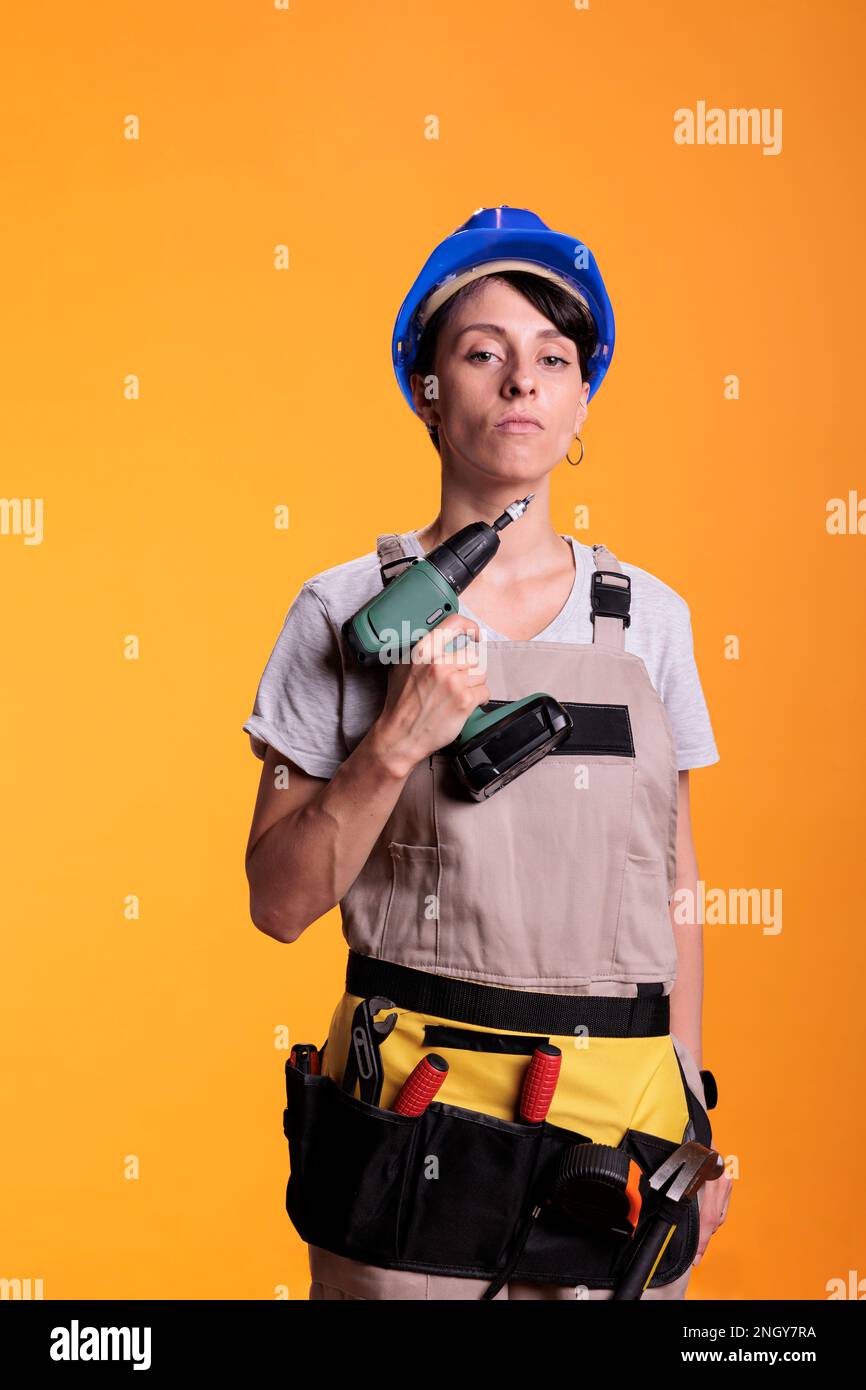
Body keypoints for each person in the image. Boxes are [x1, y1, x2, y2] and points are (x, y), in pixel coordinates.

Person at [243, 206, 733, 1300]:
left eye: (551, 358)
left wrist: (691, 1106)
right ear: (427, 386)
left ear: (579, 403)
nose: (521, 381)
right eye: (482, 351)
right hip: (413, 1108)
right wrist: (396, 740)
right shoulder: (341, 610)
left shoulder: (648, 619)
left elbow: (675, 886)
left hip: (622, 1122)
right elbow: (276, 902)